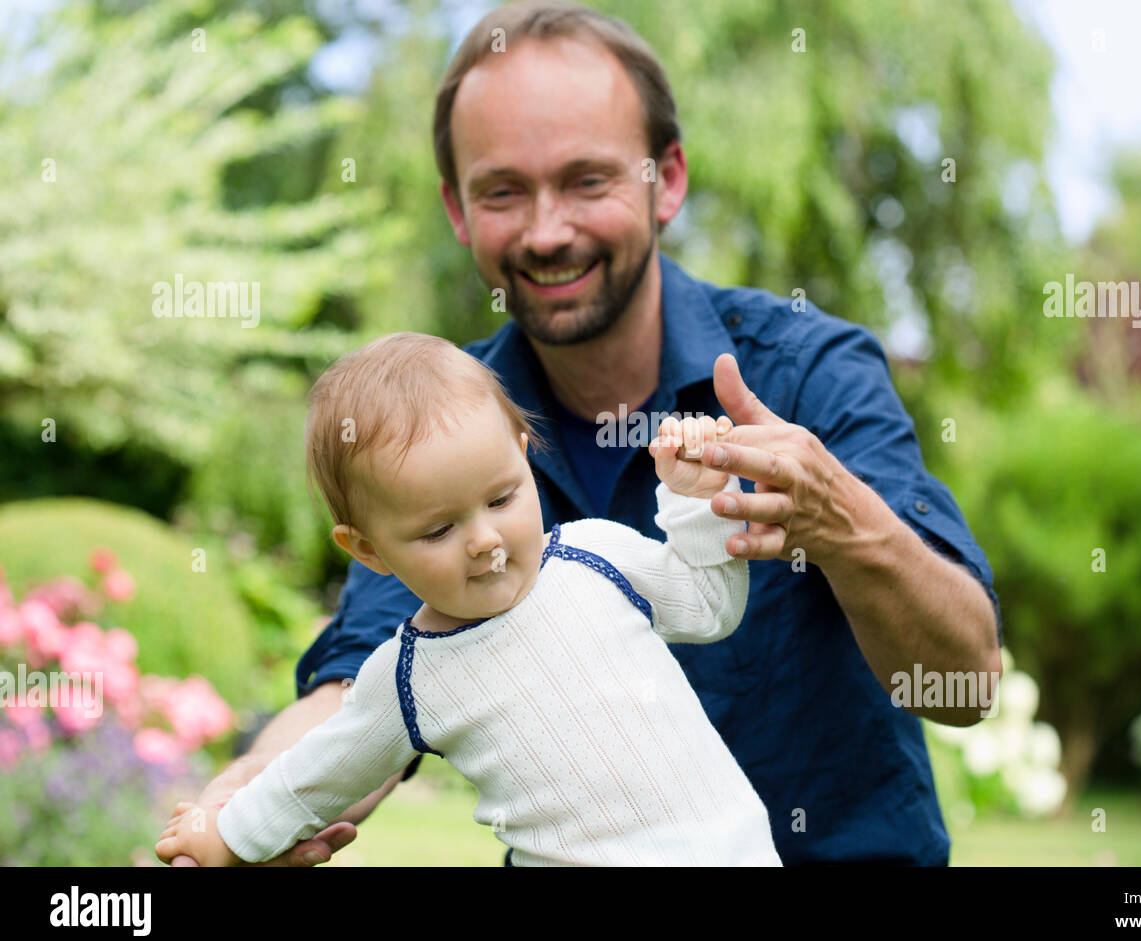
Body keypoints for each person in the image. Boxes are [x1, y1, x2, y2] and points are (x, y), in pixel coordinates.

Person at [162, 0, 1001, 867]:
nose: (546, 231)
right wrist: (249, 797)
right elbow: (359, 691)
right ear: (457, 211)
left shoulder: (808, 372)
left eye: (587, 180)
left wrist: (843, 526)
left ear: (665, 180)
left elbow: (967, 682)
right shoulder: (433, 433)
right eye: (503, 192)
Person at [155, 332, 782, 866]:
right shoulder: (411, 677)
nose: (484, 540)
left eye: (502, 499)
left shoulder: (597, 556)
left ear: (525, 456)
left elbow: (708, 608)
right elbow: (312, 777)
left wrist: (700, 499)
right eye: (437, 530)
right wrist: (227, 836)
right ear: (368, 550)